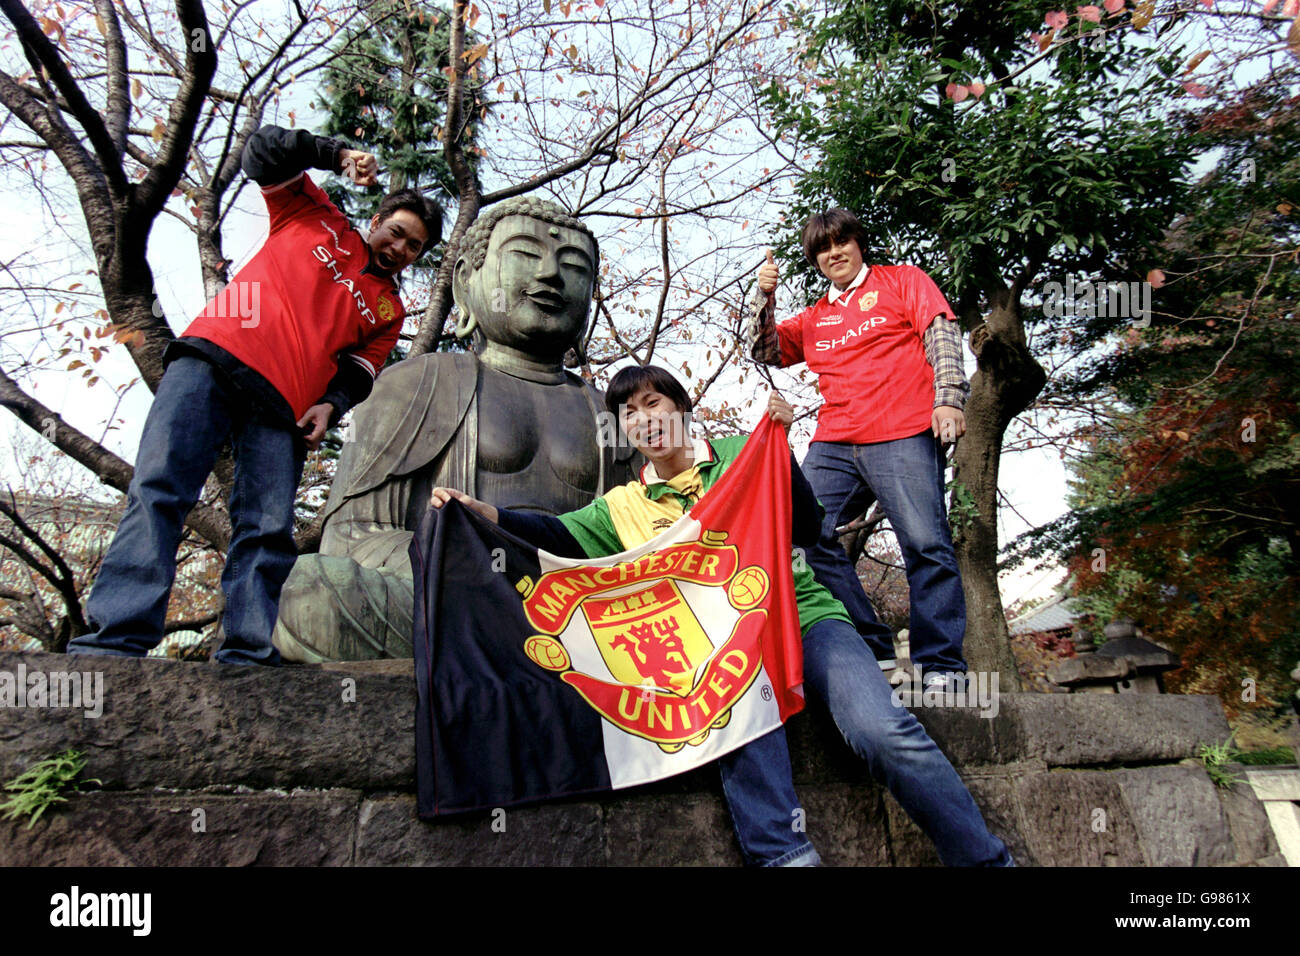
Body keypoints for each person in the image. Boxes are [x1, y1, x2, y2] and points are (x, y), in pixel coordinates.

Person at [429, 364, 1012, 866]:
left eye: (653, 402)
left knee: (884, 732)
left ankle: (984, 858)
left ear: (682, 408)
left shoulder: (741, 454)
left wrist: (778, 450)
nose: (643, 418)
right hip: (722, 650)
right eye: (628, 413)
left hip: (803, 616)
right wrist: (488, 515)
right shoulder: (623, 506)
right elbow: (556, 537)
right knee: (729, 705)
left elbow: (809, 529)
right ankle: (786, 855)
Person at [68, 124, 442, 666]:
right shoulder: (314, 216)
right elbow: (262, 151)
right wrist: (336, 155)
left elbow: (362, 370)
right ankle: (116, 638)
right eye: (397, 232)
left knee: (267, 529)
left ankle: (246, 650)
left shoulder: (390, 310)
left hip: (284, 408)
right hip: (211, 361)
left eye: (414, 245)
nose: (400, 247)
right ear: (377, 220)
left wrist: (332, 405)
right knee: (161, 490)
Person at [272, 197, 635, 663]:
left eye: (574, 266)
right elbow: (353, 535)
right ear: (466, 280)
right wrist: (470, 566)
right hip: (455, 594)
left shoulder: (614, 413)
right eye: (525, 254)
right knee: (310, 593)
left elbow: (643, 533)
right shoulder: (418, 381)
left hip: (580, 607)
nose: (550, 275)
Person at [748, 208, 971, 687]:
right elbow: (764, 350)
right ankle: (874, 650)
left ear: (857, 243)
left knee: (925, 543)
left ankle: (942, 667)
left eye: (841, 242)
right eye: (823, 250)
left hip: (904, 430)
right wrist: (763, 297)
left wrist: (950, 398)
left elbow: (942, 333)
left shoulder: (902, 281)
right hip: (834, 440)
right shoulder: (816, 317)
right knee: (794, 530)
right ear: (816, 261)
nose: (834, 253)